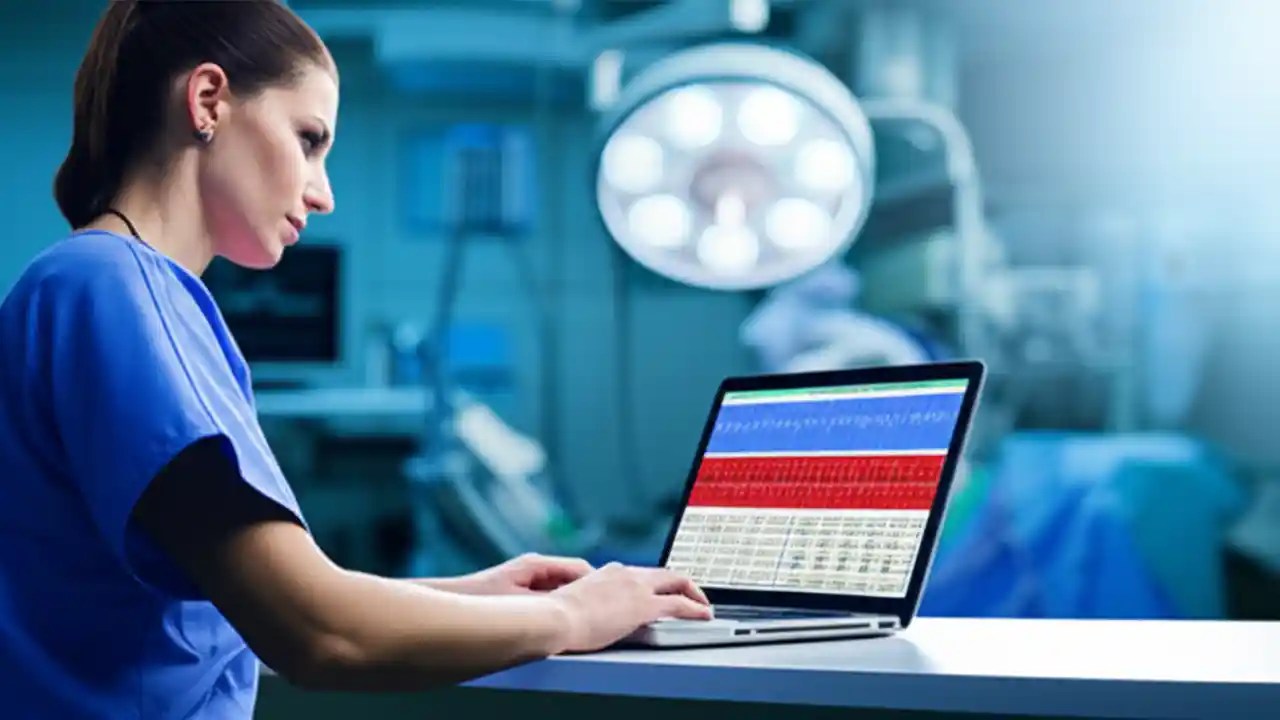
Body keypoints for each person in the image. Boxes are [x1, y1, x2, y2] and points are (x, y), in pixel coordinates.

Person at [0, 2, 711, 717]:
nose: (323, 193)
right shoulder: (114, 288)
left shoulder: (84, 285)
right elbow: (319, 633)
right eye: (309, 139)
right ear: (208, 100)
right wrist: (575, 616)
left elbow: (251, 605)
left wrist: (477, 596)